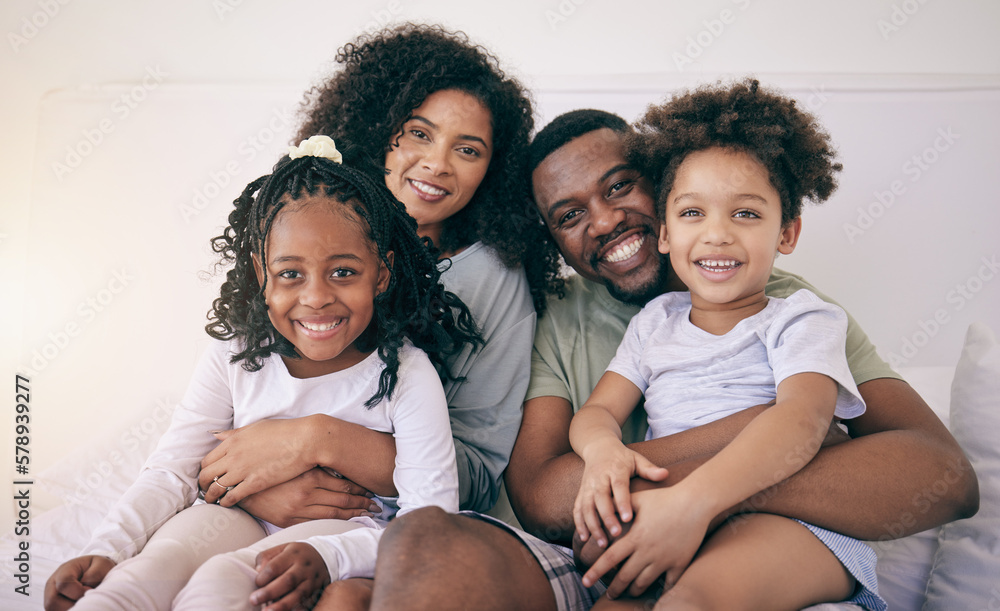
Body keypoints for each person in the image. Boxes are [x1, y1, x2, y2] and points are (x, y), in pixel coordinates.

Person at [349, 102, 978, 610]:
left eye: (621, 185)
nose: (604, 221)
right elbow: (545, 495)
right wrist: (766, 436)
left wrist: (698, 500)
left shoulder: (785, 305)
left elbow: (938, 478)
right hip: (596, 553)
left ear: (663, 183)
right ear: (553, 243)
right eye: (569, 215)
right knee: (424, 540)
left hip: (742, 547)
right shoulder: (562, 315)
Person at [42, 136, 480, 611]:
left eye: (343, 272)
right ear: (261, 273)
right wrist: (107, 549)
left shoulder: (406, 373)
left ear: (381, 273)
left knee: (227, 578)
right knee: (156, 564)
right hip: (233, 515)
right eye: (291, 274)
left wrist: (329, 555)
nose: (316, 297)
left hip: (343, 533)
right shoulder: (235, 353)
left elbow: (428, 517)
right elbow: (172, 470)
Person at [193, 25, 555, 541]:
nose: (436, 163)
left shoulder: (494, 280)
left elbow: (471, 479)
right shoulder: (298, 224)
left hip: (383, 526)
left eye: (468, 150)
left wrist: (318, 442)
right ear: (375, 126)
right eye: (419, 133)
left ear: (492, 171)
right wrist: (253, 486)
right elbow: (217, 412)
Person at [569, 79, 884, 610]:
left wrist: (691, 503)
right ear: (664, 233)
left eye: (746, 213)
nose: (717, 234)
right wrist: (603, 452)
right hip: (687, 516)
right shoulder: (654, 322)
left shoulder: (802, 318)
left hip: (792, 523)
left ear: (786, 233)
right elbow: (599, 410)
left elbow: (802, 422)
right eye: (692, 213)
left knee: (690, 603)